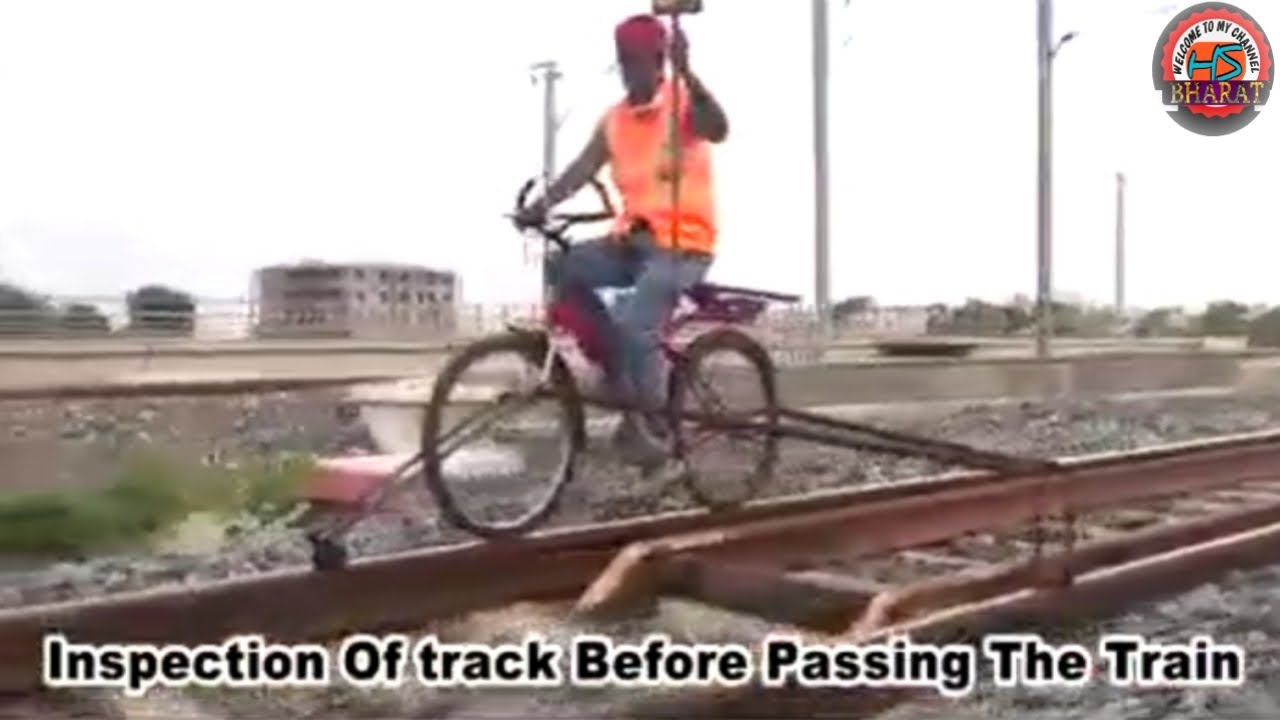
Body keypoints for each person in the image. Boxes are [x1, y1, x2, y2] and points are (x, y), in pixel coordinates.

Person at [513, 14, 728, 470]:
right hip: (632, 242)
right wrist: (541, 206)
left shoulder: (684, 103)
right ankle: (621, 379)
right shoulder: (614, 120)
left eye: (638, 61)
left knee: (637, 326)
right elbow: (581, 168)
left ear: (659, 60)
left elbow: (718, 129)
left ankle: (653, 429)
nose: (631, 72)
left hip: (684, 243)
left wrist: (689, 73)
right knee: (562, 266)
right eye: (623, 63)